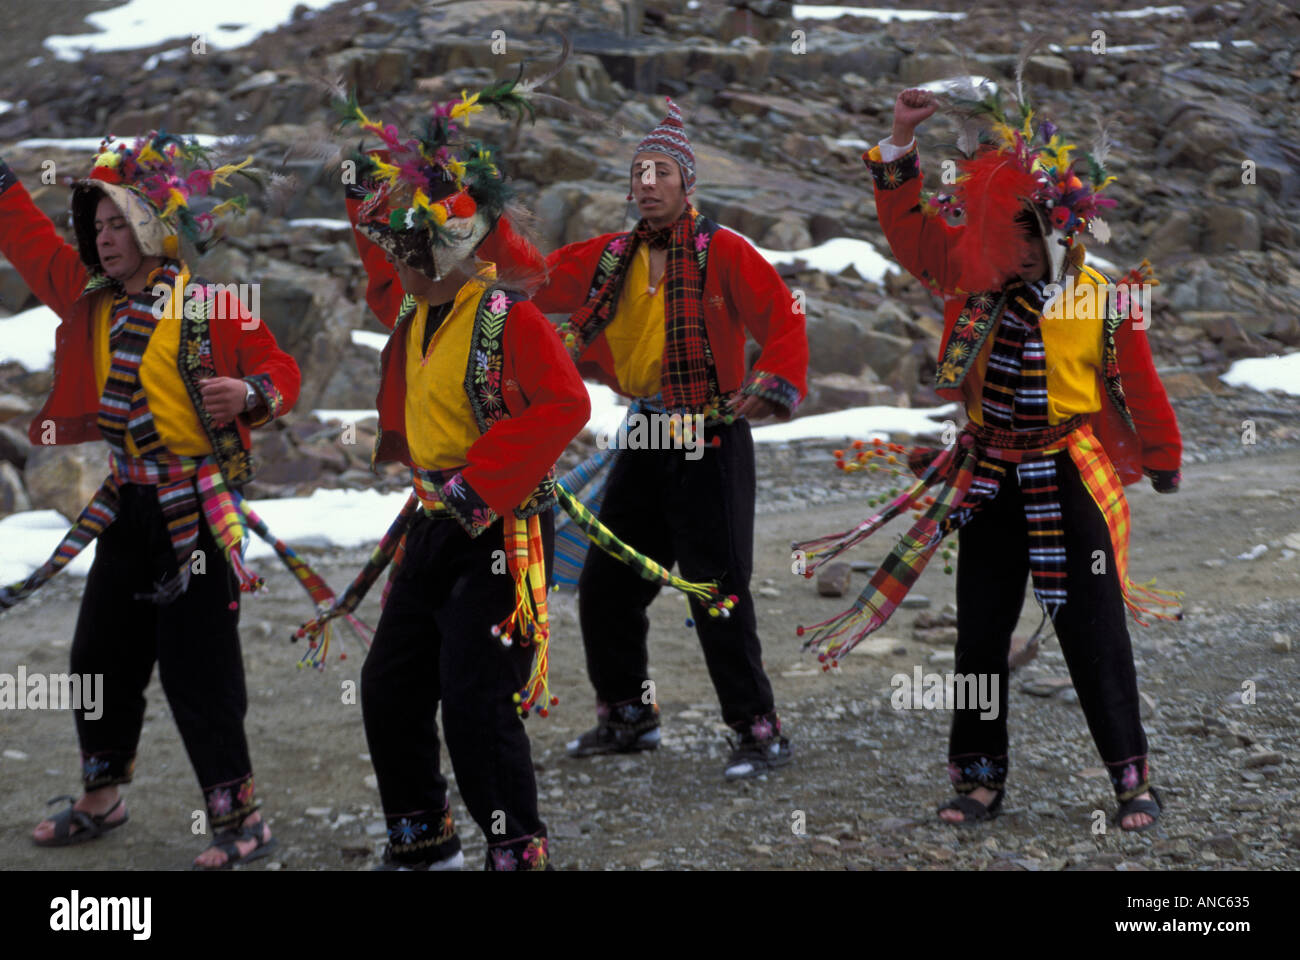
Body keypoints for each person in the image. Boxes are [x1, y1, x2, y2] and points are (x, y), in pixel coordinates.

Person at [796, 86, 1182, 831]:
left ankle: (1130, 779)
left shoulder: (1102, 296)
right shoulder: (966, 281)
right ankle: (978, 779)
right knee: (980, 631)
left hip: (1065, 472)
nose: (1021, 250)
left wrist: (1163, 454)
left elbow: (1136, 379)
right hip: (990, 475)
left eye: (1033, 235)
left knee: (1091, 628)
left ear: (1063, 234)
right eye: (1008, 233)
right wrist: (902, 139)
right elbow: (908, 232)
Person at [299, 82, 590, 870]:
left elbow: (566, 405)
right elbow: (377, 251)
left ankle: (514, 848)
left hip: (502, 524)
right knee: (390, 684)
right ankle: (422, 838)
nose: (395, 258)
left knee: (473, 694)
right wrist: (367, 188)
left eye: (410, 246)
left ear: (452, 249)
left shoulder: (506, 317)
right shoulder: (411, 302)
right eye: (393, 246)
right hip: (434, 518)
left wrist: (478, 484)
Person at [0, 134, 308, 867]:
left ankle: (241, 819)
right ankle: (102, 796)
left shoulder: (212, 302)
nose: (103, 241)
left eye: (118, 225)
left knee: (198, 666)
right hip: (126, 504)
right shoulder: (86, 297)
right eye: (96, 227)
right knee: (99, 654)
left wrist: (252, 394)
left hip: (193, 509)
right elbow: (25, 235)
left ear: (153, 227)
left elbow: (279, 367)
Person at [507, 99, 810, 779]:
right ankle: (628, 716)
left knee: (717, 588)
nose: (646, 182)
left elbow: (784, 317)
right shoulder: (610, 257)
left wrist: (777, 382)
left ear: (687, 184)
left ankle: (758, 730)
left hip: (710, 434)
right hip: (645, 431)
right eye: (639, 171)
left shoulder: (725, 251)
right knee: (609, 586)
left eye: (662, 171)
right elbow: (532, 277)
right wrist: (472, 240)